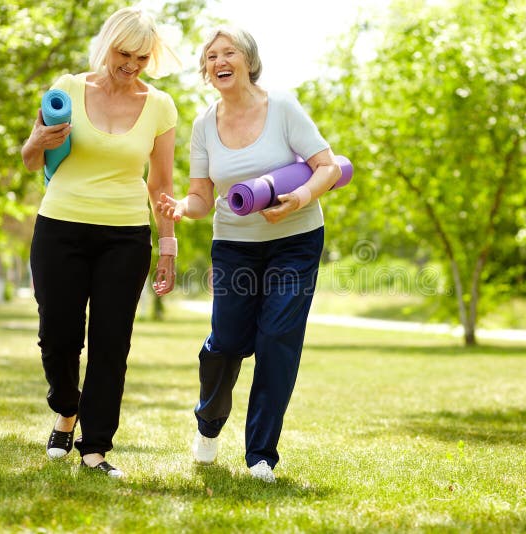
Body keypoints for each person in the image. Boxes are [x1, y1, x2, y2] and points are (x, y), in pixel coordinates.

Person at [157, 26, 343, 483]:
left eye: (229, 52)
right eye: (211, 56)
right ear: (207, 70)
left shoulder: (281, 107)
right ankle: (208, 423)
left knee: (277, 340)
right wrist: (181, 208)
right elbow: (201, 196)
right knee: (226, 342)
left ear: (248, 60)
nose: (219, 60)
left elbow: (329, 167)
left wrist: (297, 200)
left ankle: (261, 455)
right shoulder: (204, 124)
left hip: (296, 240)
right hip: (235, 245)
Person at [21, 6, 181, 478]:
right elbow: (32, 161)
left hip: (126, 236)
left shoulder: (160, 105)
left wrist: (168, 248)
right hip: (61, 227)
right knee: (58, 335)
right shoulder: (67, 88)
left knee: (111, 342)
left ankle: (95, 447)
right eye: (124, 53)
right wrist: (37, 140)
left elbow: (162, 186)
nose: (131, 64)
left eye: (142, 57)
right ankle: (65, 411)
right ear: (108, 43)